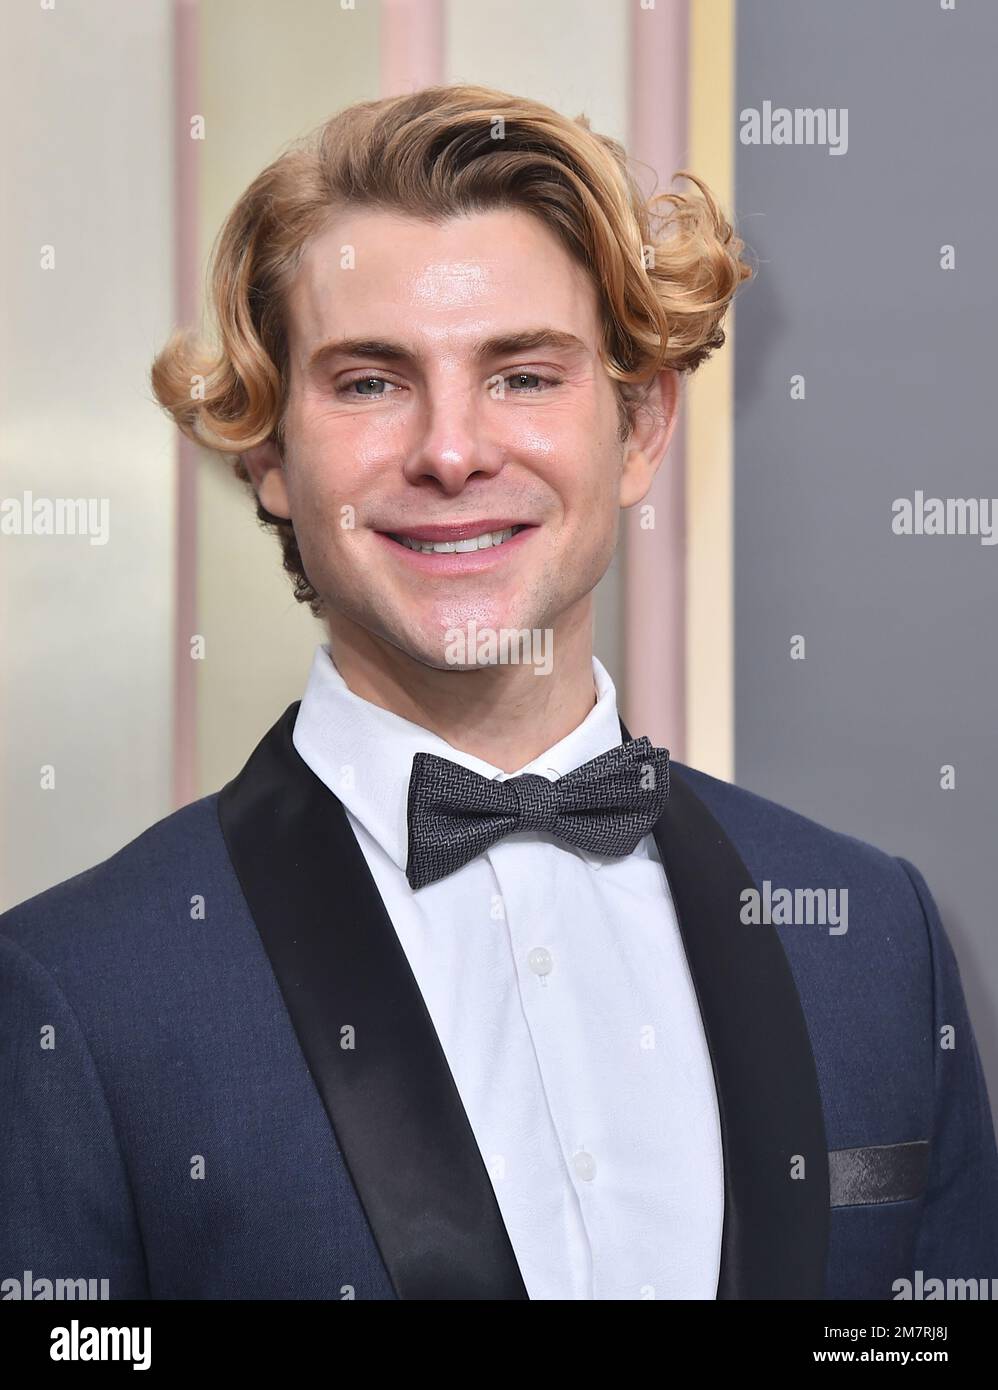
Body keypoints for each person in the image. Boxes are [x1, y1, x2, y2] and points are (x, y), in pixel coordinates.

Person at [1, 84, 995, 1302]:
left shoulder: (871, 933)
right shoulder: (79, 990)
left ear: (638, 428)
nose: (453, 448)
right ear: (268, 454)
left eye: (523, 375)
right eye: (369, 382)